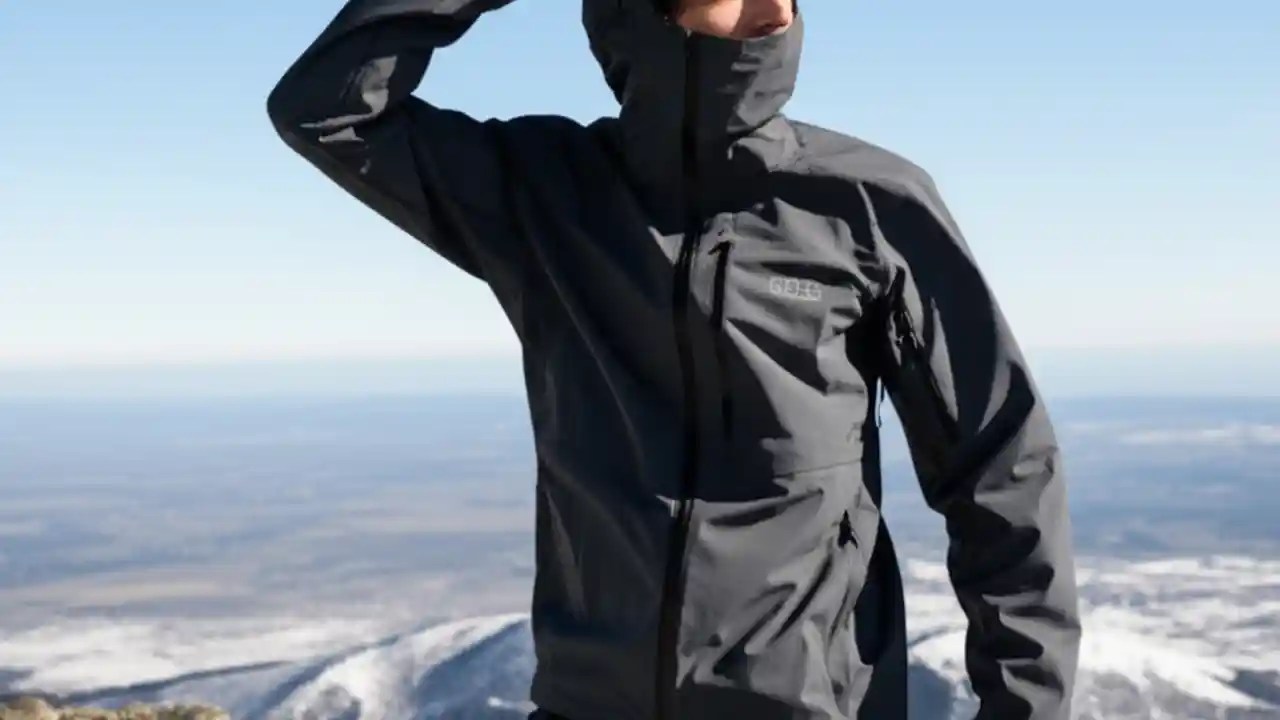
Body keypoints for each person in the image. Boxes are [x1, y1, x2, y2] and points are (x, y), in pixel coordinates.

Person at [266, 0, 1082, 718]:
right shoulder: (545, 190)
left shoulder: (868, 202)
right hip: (587, 703)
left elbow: (1000, 464)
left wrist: (1027, 706)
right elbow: (327, 108)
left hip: (809, 705)